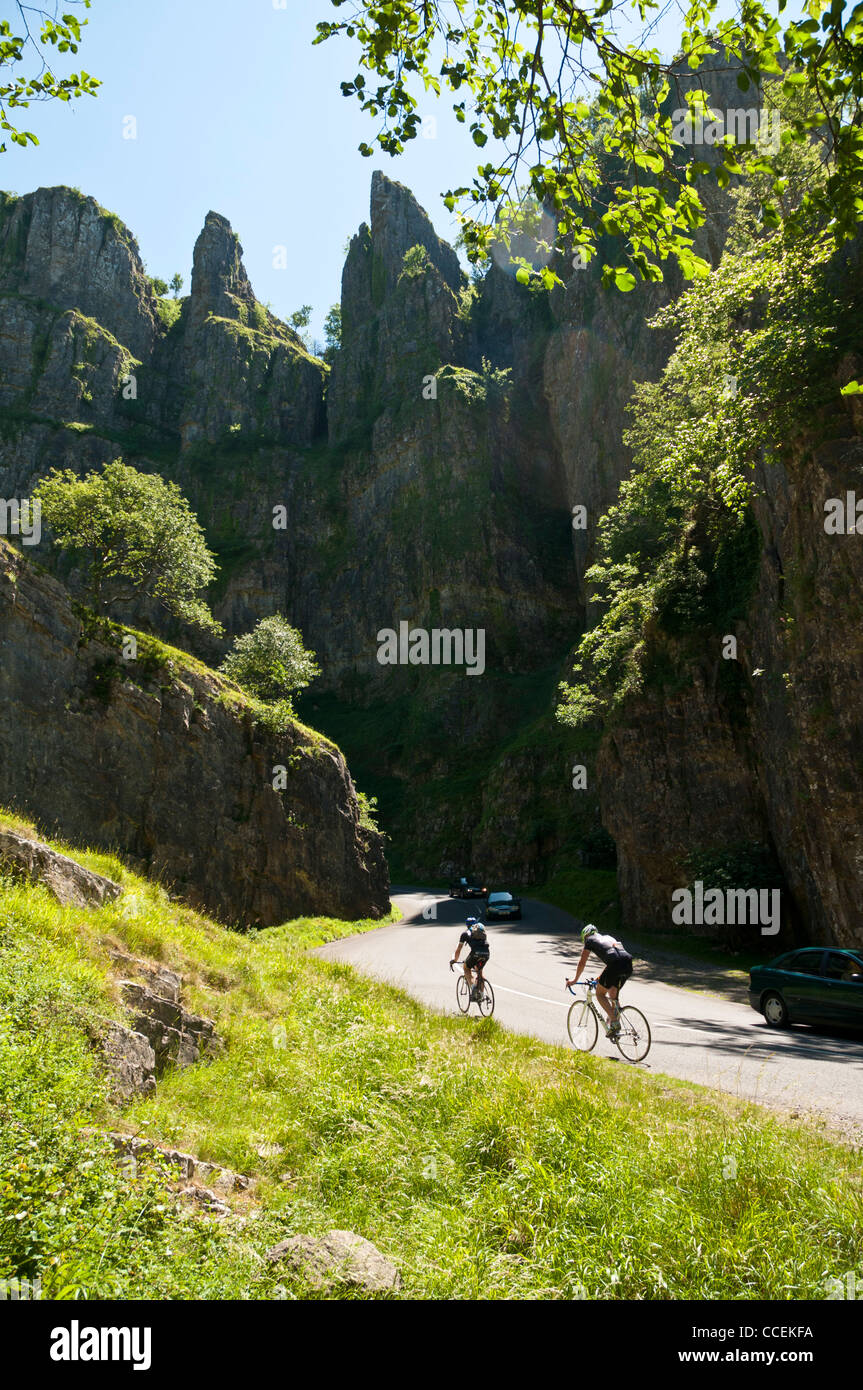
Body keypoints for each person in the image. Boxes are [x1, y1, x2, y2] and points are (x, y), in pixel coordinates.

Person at [566, 924, 633, 1037]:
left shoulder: (590, 940)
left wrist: (574, 980)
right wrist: (599, 978)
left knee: (600, 994)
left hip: (615, 965)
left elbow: (582, 962)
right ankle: (614, 1024)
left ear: (585, 936)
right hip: (628, 963)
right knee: (612, 993)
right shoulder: (608, 937)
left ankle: (615, 1022)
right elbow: (614, 959)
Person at [451, 916, 490, 1001]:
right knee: (479, 972)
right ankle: (481, 996)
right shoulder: (481, 931)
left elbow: (458, 949)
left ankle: (474, 990)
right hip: (486, 953)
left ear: (467, 925)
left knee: (466, 967)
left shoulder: (465, 934)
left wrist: (454, 960)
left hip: (475, 953)